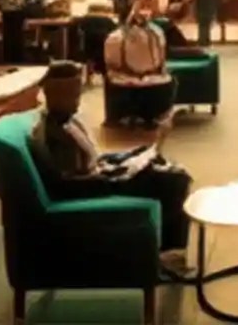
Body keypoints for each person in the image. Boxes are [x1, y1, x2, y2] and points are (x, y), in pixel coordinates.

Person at [29, 62, 193, 275]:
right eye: (73, 96)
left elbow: (90, 160)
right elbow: (69, 181)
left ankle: (168, 252)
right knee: (174, 180)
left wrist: (128, 159)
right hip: (92, 189)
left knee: (162, 166)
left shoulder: (65, 121)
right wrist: (116, 175)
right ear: (57, 94)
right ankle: (168, 255)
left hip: (98, 175)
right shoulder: (54, 134)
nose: (77, 102)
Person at [104, 0, 175, 129]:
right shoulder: (157, 33)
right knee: (170, 77)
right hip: (155, 82)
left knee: (109, 76)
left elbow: (110, 61)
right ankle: (158, 114)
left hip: (124, 83)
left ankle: (113, 117)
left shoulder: (114, 37)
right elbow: (161, 59)